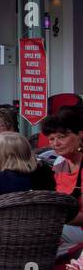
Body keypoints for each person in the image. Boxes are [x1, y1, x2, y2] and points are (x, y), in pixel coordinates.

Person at [42, 108, 83, 253]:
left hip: (75, 227)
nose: (56, 143)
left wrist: (55, 216)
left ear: (80, 135)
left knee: (41, 227)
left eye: (62, 137)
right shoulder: (60, 163)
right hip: (68, 225)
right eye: (52, 139)